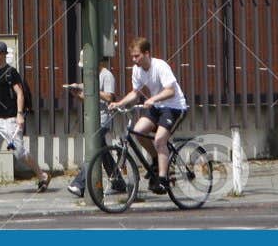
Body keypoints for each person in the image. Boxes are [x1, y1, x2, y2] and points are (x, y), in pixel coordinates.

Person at [110, 37, 187, 193]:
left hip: (174, 107)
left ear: (147, 53)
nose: (134, 60)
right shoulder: (137, 70)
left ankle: (163, 179)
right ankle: (156, 160)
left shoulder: (160, 66)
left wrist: (153, 98)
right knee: (138, 131)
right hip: (157, 106)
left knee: (159, 140)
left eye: (137, 56)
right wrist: (119, 103)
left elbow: (170, 90)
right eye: (132, 56)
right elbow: (135, 93)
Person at [0, 41, 50, 196]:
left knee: (20, 153)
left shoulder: (11, 72)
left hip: (10, 120)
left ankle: (42, 175)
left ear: (3, 54)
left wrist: (20, 115)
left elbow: (20, 93)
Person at [65, 52, 116, 197]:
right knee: (103, 153)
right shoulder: (91, 75)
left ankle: (79, 184)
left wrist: (91, 89)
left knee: (92, 151)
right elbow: (90, 99)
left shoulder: (107, 75)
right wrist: (77, 94)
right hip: (95, 119)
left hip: (103, 119)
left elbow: (109, 96)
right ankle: (118, 182)